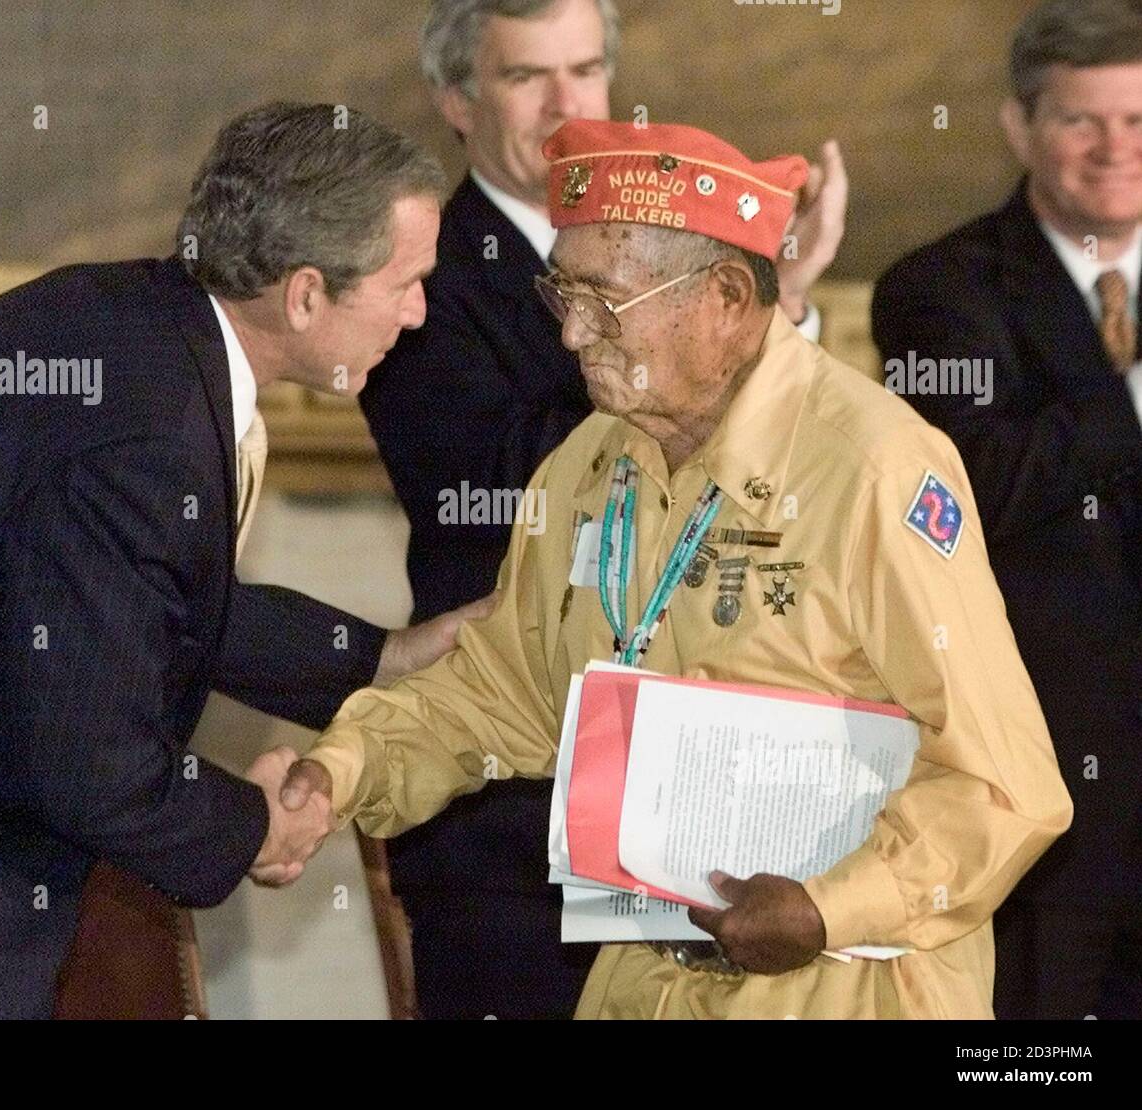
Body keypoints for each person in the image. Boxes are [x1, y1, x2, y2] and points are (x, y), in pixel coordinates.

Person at [273, 118, 1074, 1020]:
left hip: (847, 988)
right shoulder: (586, 466)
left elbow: (1003, 787)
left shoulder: (876, 472)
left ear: (728, 297)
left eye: (602, 300)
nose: (573, 334)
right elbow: (500, 691)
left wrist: (822, 908)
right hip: (644, 983)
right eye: (559, 293)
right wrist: (339, 771)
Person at [0, 101, 483, 1019]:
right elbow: (89, 760)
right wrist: (259, 827)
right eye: (406, 281)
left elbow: (153, 599)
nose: (419, 314)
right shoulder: (146, 435)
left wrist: (379, 657)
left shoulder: (124, 320)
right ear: (304, 293)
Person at [357, 0, 848, 1019]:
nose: (565, 102)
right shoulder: (420, 276)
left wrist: (771, 305)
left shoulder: (681, 264)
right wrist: (702, 346)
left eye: (583, 71)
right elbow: (489, 483)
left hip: (693, 797)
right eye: (526, 76)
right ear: (457, 100)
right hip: (507, 826)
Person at [872, 0, 1142, 1021]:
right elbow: (971, 491)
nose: (1115, 150)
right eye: (1083, 121)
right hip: (1043, 814)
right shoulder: (938, 290)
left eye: (1138, 121)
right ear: (1022, 128)